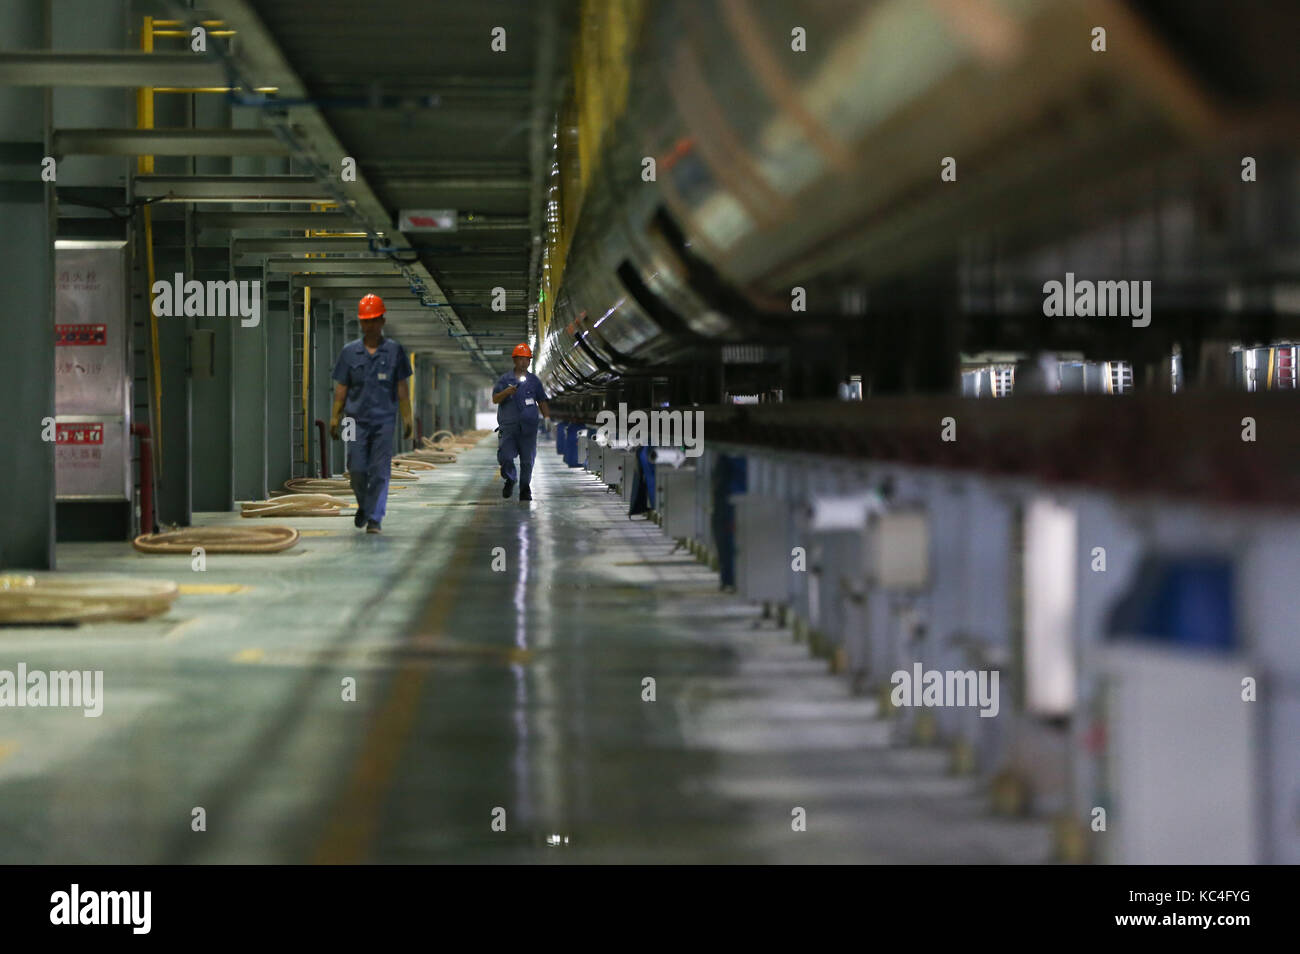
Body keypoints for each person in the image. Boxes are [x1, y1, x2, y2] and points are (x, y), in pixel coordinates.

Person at [329, 293, 413, 533]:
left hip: (384, 420)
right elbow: (341, 388)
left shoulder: (395, 351)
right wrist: (335, 416)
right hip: (353, 422)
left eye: (374, 320)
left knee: (379, 471)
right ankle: (365, 506)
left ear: (382, 321)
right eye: (366, 321)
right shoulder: (349, 352)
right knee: (356, 468)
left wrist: (407, 417)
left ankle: (375, 517)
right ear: (361, 323)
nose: (370, 325)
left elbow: (402, 389)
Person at [492, 343, 549, 501]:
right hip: (509, 428)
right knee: (505, 457)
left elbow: (542, 401)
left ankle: (525, 489)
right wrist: (506, 392)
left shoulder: (534, 381)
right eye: (521, 359)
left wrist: (547, 418)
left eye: (527, 359)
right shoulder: (505, 380)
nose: (524, 362)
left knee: (527, 461)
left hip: (528, 430)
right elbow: (495, 399)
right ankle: (510, 479)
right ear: (515, 360)